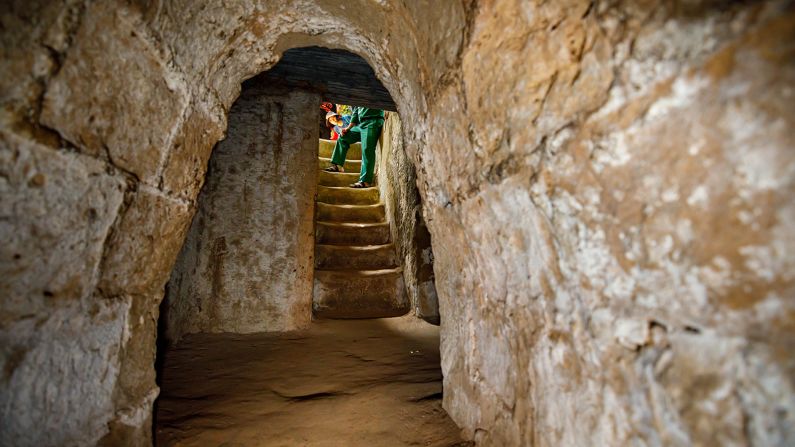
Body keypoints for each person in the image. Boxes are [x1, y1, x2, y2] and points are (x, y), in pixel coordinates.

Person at [323, 106, 384, 188]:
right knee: (343, 137)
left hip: (372, 120)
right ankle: (338, 165)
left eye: (332, 117)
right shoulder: (336, 127)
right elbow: (355, 111)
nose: (332, 120)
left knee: (367, 149)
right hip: (360, 124)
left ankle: (365, 181)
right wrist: (348, 128)